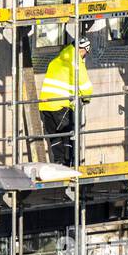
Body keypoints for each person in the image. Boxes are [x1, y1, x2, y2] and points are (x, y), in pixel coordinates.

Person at [38, 35, 93, 165]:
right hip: (60, 104)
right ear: (83, 49)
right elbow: (85, 86)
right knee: (69, 134)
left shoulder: (58, 58)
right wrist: (86, 98)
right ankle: (69, 165)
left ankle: (59, 163)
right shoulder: (76, 61)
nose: (84, 56)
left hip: (45, 105)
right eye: (85, 53)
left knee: (54, 136)